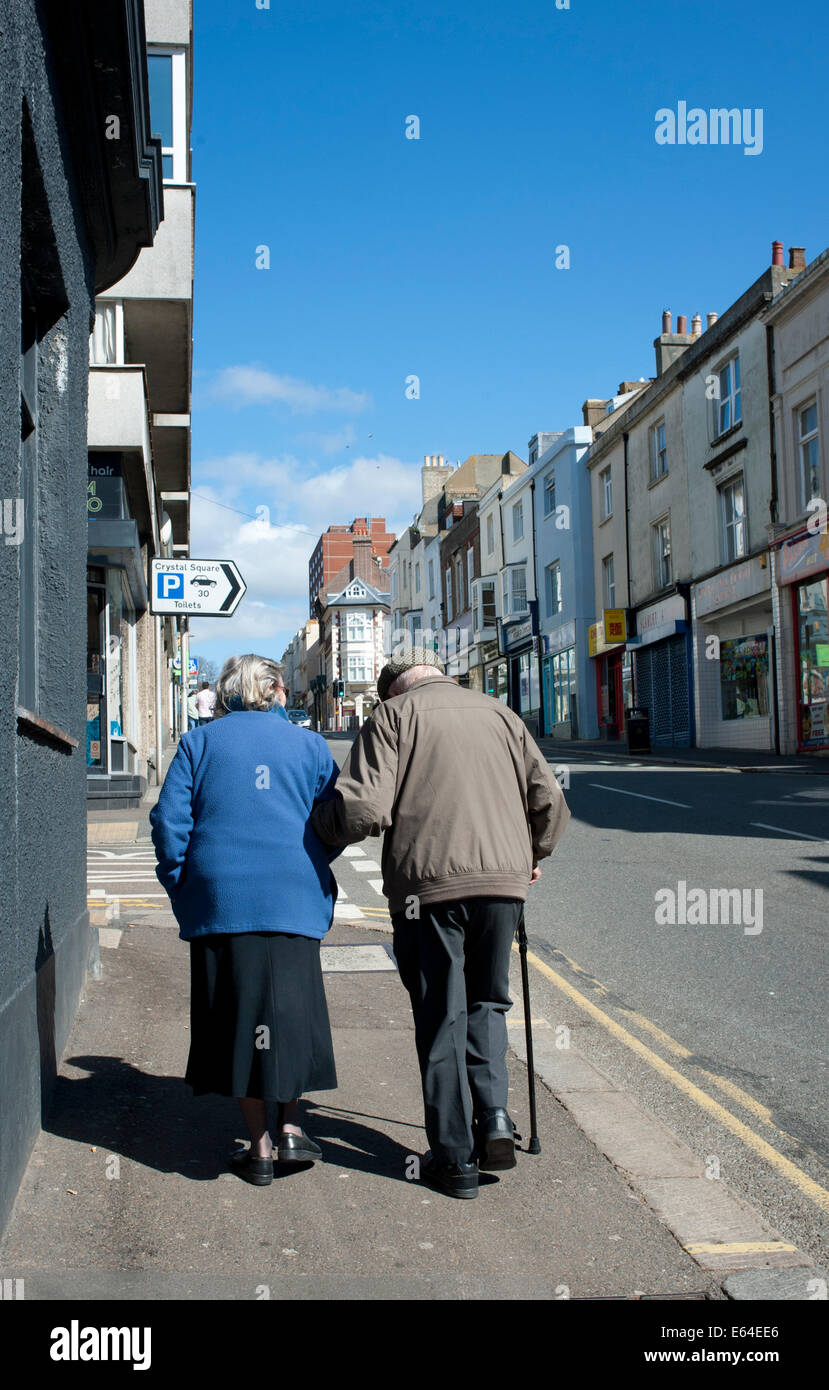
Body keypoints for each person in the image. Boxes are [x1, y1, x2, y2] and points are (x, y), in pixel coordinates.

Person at [311, 646, 570, 1200]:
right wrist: (531, 856)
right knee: (487, 1001)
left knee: (439, 1014)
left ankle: (453, 1158)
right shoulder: (500, 713)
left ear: (394, 689)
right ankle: (495, 1118)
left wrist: (320, 833)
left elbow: (363, 810)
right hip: (503, 886)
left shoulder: (392, 717)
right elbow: (549, 800)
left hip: (426, 891)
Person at [150, 653, 341, 1186]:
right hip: (292, 897)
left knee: (238, 1020)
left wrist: (182, 883)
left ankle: (257, 1148)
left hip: (221, 900)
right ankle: (292, 1129)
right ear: (277, 690)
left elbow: (169, 823)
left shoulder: (200, 743)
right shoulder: (310, 745)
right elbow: (339, 817)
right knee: (289, 1015)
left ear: (228, 693)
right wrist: (313, 865)